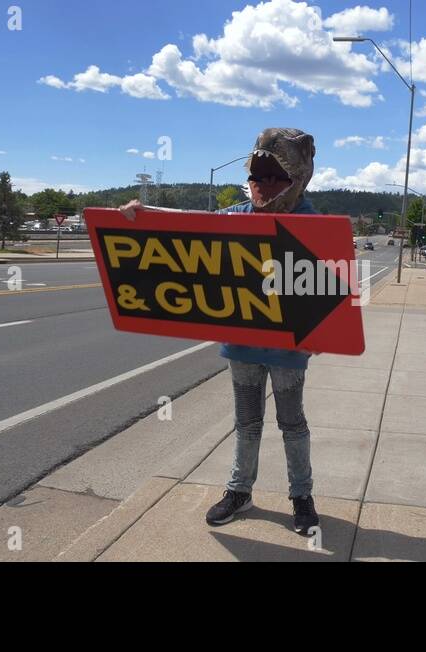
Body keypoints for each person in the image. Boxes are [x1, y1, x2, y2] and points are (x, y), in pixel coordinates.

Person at [120, 127, 320, 535]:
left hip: (287, 349)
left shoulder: (314, 224)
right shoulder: (234, 219)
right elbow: (184, 229)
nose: (263, 186)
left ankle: (302, 496)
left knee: (292, 424)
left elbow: (329, 287)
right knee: (247, 423)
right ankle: (239, 491)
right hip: (242, 344)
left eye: (275, 177)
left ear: (296, 179)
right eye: (256, 177)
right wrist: (137, 216)